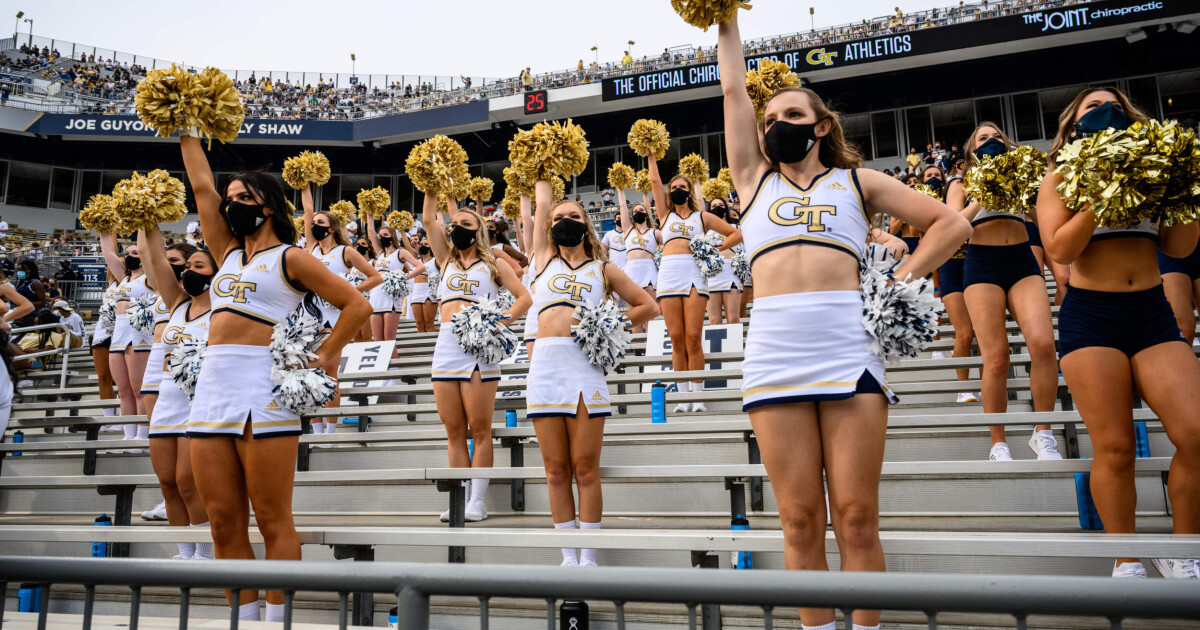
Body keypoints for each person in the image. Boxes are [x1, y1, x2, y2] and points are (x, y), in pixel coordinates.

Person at [717, 13, 971, 629]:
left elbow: (953, 224)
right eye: (770, 118)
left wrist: (896, 281)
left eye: (793, 117)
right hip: (775, 352)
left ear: (822, 125)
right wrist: (723, 17)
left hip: (848, 347)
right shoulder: (751, 182)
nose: (778, 125)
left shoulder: (858, 182)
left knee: (856, 516)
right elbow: (731, 90)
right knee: (799, 519)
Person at [179, 130, 371, 623]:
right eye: (232, 198)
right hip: (212, 388)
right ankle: (243, 618)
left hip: (263, 388)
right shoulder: (226, 253)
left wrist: (323, 356)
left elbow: (356, 304)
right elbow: (202, 188)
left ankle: (278, 619)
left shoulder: (291, 256)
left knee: (271, 517)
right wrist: (186, 129)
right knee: (222, 521)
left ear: (270, 205)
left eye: (245, 197)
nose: (233, 204)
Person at [1038, 85, 1200, 580]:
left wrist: (1181, 188)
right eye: (1092, 107)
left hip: (1153, 314)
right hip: (1092, 317)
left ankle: (1185, 551)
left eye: (1116, 106)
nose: (1106, 112)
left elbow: (1179, 244)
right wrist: (1104, 184)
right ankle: (1126, 556)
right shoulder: (1060, 179)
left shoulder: (1154, 175)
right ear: (1072, 127)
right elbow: (1061, 251)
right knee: (1114, 448)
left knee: (1195, 434)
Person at [528, 176, 658, 566]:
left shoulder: (603, 269)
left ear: (587, 223)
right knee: (554, 471)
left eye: (573, 215)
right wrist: (542, 175)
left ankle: (589, 557)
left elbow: (647, 306)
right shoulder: (541, 259)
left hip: (584, 366)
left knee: (585, 468)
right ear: (549, 228)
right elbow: (540, 202)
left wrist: (607, 321)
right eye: (558, 218)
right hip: (546, 368)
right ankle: (568, 557)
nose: (565, 221)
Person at [948, 122, 1060, 462]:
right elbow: (953, 227)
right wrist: (981, 194)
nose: (991, 141)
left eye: (996, 136)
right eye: (983, 138)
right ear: (971, 150)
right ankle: (998, 442)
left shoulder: (1021, 174)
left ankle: (1043, 433)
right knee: (996, 357)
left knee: (1043, 345)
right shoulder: (961, 181)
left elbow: (1044, 222)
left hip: (1022, 261)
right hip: (982, 265)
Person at [422, 190, 530, 523]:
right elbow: (428, 219)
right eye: (454, 224)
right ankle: (461, 496)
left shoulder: (494, 263)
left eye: (465, 224)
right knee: (453, 430)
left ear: (479, 230)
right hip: (445, 346)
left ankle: (478, 500)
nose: (456, 229)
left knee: (479, 429)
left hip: (479, 349)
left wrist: (499, 322)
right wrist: (431, 185)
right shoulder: (445, 260)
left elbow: (524, 298)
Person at [138, 221, 215, 560]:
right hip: (168, 396)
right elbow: (153, 259)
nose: (188, 271)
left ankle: (206, 554)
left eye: (199, 266)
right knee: (167, 483)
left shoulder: (225, 309)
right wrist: (147, 218)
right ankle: (185, 553)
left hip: (200, 400)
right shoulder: (178, 304)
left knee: (188, 481)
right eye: (187, 266)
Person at [648, 147, 741, 414]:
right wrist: (652, 154)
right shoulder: (665, 215)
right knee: (676, 338)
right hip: (667, 275)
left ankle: (698, 398)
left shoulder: (702, 217)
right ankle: (682, 398)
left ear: (690, 191)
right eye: (674, 186)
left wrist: (714, 247)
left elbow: (735, 234)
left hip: (693, 275)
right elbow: (655, 182)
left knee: (692, 337)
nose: (678, 189)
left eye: (682, 186)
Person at [300, 187, 382, 437]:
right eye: (314, 223)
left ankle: (331, 432)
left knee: (329, 372)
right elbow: (306, 212)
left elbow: (375, 277)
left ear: (332, 228)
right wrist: (305, 185)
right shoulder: (311, 248)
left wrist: (348, 290)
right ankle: (316, 432)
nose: (314, 225)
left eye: (320, 222)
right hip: (309, 317)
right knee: (311, 373)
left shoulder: (345, 252)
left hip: (335, 318)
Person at [99, 235, 153, 445]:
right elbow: (108, 254)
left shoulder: (150, 276)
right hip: (119, 334)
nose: (129, 256)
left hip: (138, 333)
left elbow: (149, 253)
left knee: (139, 389)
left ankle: (141, 438)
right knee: (123, 391)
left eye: (135, 253)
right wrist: (104, 230)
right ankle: (128, 437)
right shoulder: (123, 278)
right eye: (127, 253)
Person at [365, 217, 425, 365]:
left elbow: (420, 267)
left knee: (389, 339)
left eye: (385, 235)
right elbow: (371, 231)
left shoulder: (400, 252)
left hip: (391, 296)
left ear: (392, 237)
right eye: (381, 236)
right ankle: (381, 372)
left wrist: (405, 277)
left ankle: (393, 373)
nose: (381, 238)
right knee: (378, 340)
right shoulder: (379, 253)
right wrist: (370, 214)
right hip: (376, 295)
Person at [704, 197, 742, 325]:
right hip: (712, 274)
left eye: (721, 205)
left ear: (726, 208)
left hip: (731, 272)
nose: (718, 208)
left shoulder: (736, 227)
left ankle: (734, 345)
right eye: (714, 206)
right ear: (709, 210)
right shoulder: (704, 230)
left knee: (733, 319)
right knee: (714, 320)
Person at [401, 233, 439, 333]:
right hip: (416, 292)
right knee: (419, 324)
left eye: (426, 244)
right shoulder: (416, 260)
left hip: (429, 292)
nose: (422, 246)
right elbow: (408, 246)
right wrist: (401, 231)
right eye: (421, 244)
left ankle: (431, 347)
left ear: (431, 247)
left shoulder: (436, 260)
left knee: (428, 323)